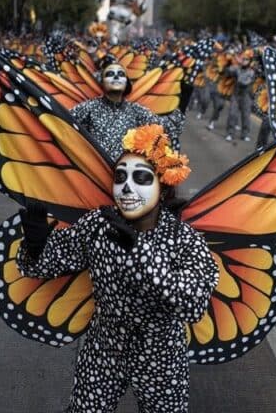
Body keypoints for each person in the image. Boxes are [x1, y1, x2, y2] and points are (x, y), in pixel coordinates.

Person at [16, 124, 218, 412]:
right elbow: (49, 262)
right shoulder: (99, 224)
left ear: (162, 190)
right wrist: (36, 244)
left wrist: (141, 252)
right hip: (104, 345)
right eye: (120, 177)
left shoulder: (182, 238)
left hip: (160, 357)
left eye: (141, 178)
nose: (127, 186)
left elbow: (194, 304)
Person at [70, 62, 186, 161]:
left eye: (121, 74)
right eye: (110, 74)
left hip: (125, 176)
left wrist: (183, 98)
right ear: (102, 82)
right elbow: (61, 123)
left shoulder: (136, 110)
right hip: (97, 174)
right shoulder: (89, 107)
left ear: (126, 83)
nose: (116, 76)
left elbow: (166, 128)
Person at [224, 50, 256, 142]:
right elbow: (227, 71)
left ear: (249, 61)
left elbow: (244, 82)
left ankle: (245, 134)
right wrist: (230, 60)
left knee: (246, 116)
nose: (244, 61)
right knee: (232, 114)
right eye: (243, 59)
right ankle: (230, 133)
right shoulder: (237, 68)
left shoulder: (251, 72)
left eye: (246, 60)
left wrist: (237, 66)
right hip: (236, 94)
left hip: (246, 95)